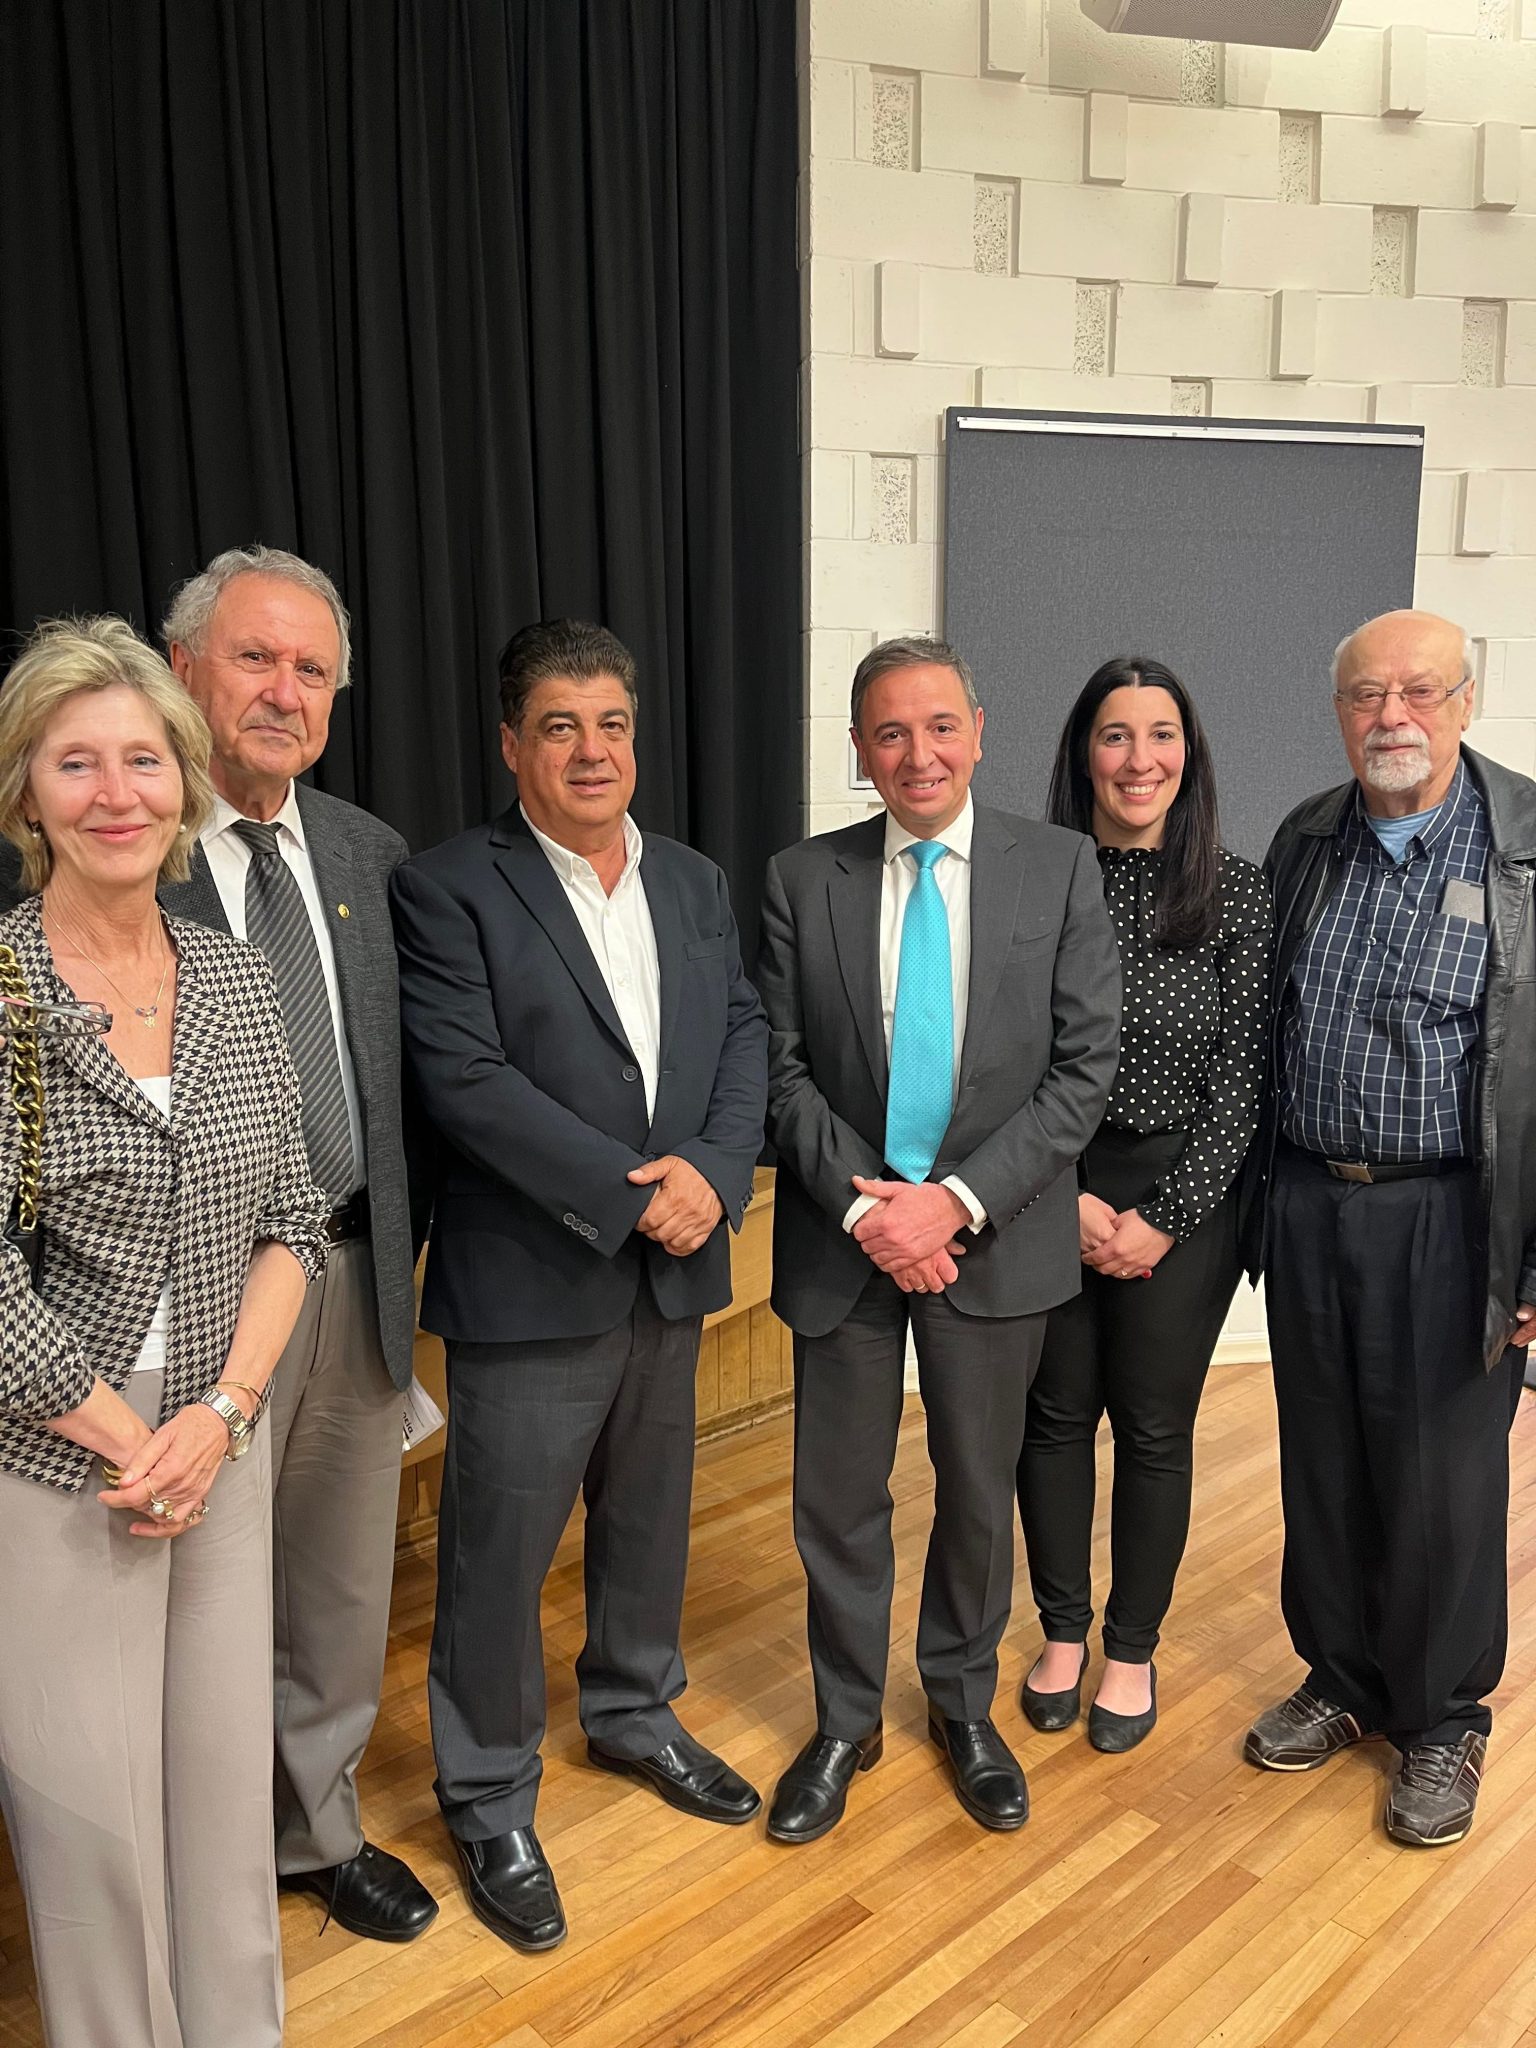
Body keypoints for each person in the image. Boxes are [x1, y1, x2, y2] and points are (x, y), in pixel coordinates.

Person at [391, 619, 768, 1951]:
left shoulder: (696, 881)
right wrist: (640, 1192)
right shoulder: (446, 889)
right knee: (497, 1561)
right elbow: (467, 1084)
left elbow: (739, 1028)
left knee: (651, 1522)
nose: (592, 750)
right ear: (511, 746)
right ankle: (487, 1791)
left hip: (675, 1265)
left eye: (611, 725)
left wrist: (716, 1172)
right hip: (535, 1276)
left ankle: (632, 1714)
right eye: (561, 726)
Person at [0, 617, 328, 2048]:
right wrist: (139, 1440)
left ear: (187, 785)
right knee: (97, 1844)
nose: (115, 791)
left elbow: (297, 1217)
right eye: (77, 763)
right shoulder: (5, 988)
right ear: (28, 796)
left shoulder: (237, 977)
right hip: (62, 1467)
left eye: (144, 759)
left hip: (220, 1447)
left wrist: (226, 1416)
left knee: (215, 1812)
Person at [756, 635, 1121, 1844]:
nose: (918, 752)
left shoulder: (1060, 868)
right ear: (859, 750)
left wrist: (952, 1202)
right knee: (840, 1499)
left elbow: (1081, 1074)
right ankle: (845, 1718)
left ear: (979, 727)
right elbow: (781, 1067)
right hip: (845, 1238)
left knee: (976, 1488)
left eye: (939, 726)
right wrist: (872, 1208)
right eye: (889, 732)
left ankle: (963, 1704)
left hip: (995, 1238)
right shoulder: (800, 878)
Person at [157, 546, 435, 1942]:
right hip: (190, 1307)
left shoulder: (366, 854)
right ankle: (195, 1856)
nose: (285, 692)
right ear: (183, 669)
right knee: (195, 1594)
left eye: (311, 670)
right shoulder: (119, 844)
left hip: (356, 1277)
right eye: (257, 659)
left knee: (335, 1583)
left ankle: (314, 1829)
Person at [1241, 609, 1536, 1848]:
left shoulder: (1527, 846)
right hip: (1312, 1194)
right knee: (1324, 1459)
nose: (1391, 716)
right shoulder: (1307, 837)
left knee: (1442, 1476)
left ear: (1468, 699)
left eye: (1419, 690)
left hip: (1458, 1210)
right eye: (1366, 694)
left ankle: (1443, 1716)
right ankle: (1345, 1678)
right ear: (1340, 710)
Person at [1017, 658, 1270, 1751]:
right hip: (1048, 1186)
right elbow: (1008, 1058)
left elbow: (1245, 1078)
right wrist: (1063, 1193)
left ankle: (1130, 1647)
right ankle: (1063, 1632)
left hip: (1188, 1197)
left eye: (1159, 735)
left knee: (1156, 1429)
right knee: (1057, 1417)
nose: (1138, 758)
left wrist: (1163, 1216)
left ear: (1189, 753)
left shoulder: (1240, 889)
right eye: (1115, 736)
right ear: (1084, 753)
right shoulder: (1034, 883)